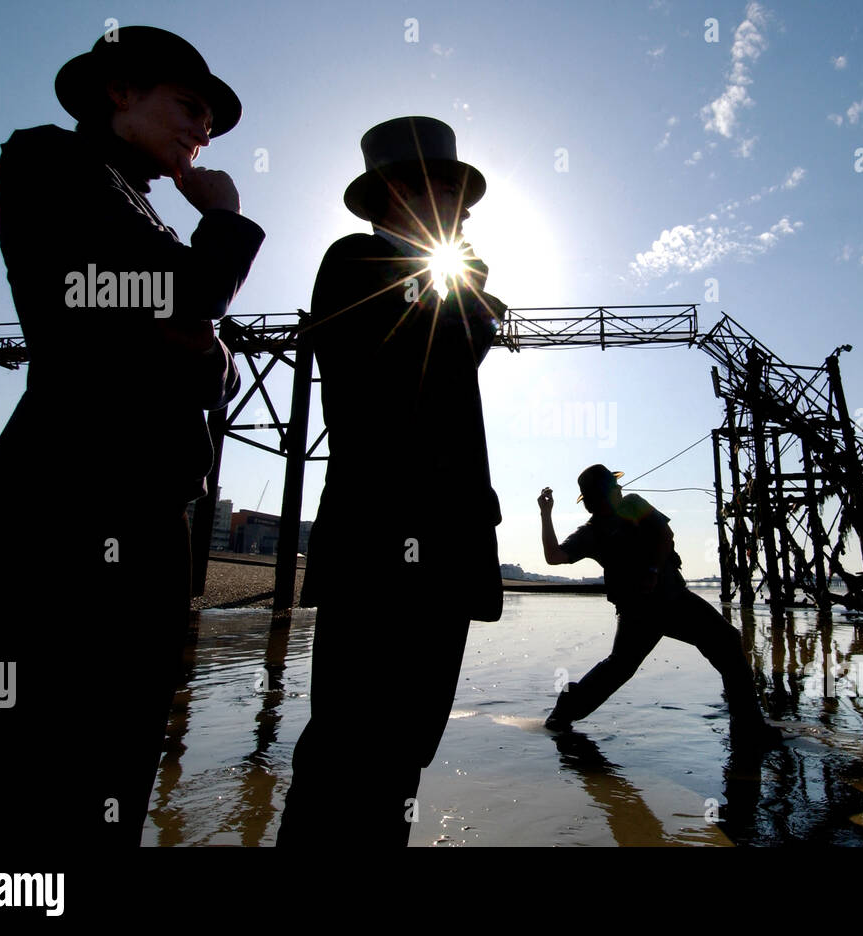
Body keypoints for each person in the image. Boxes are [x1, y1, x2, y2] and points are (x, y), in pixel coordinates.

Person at [0, 26, 263, 848]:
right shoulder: (49, 161)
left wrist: (183, 334)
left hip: (146, 514)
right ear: (120, 91)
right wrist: (221, 218)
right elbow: (185, 294)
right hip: (59, 505)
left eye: (209, 125)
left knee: (115, 750)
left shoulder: (138, 208)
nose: (200, 133)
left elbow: (206, 366)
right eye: (189, 106)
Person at [278, 116, 506, 847]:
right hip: (383, 552)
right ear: (398, 192)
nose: (464, 211)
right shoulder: (354, 261)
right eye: (448, 190)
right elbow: (419, 365)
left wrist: (463, 287)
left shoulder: (430, 282)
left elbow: (443, 373)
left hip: (440, 555)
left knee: (399, 760)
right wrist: (465, 286)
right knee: (351, 756)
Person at [538, 465, 784, 746]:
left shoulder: (633, 505)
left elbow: (666, 536)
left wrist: (653, 571)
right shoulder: (592, 533)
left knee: (626, 665)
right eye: (614, 486)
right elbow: (554, 556)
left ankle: (747, 728)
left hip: (664, 601)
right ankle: (748, 730)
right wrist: (546, 515)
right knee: (626, 666)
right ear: (604, 494)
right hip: (649, 609)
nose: (620, 489)